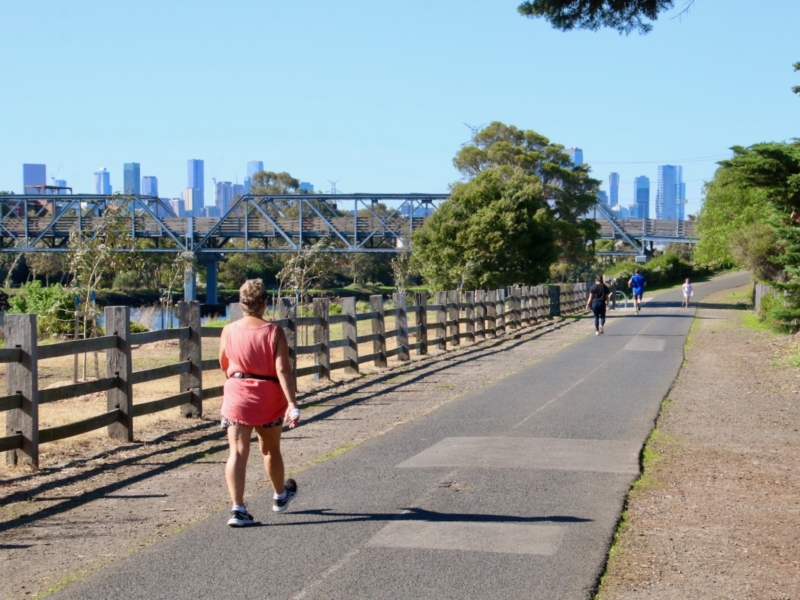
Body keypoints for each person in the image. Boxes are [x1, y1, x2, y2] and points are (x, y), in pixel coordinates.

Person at [219, 279, 301, 527]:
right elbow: (283, 370)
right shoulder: (273, 332)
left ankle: (238, 509)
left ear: (241, 304)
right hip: (268, 397)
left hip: (237, 394)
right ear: (265, 303)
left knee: (237, 452)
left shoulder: (228, 330)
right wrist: (292, 403)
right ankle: (279, 495)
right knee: (270, 449)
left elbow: (223, 363)